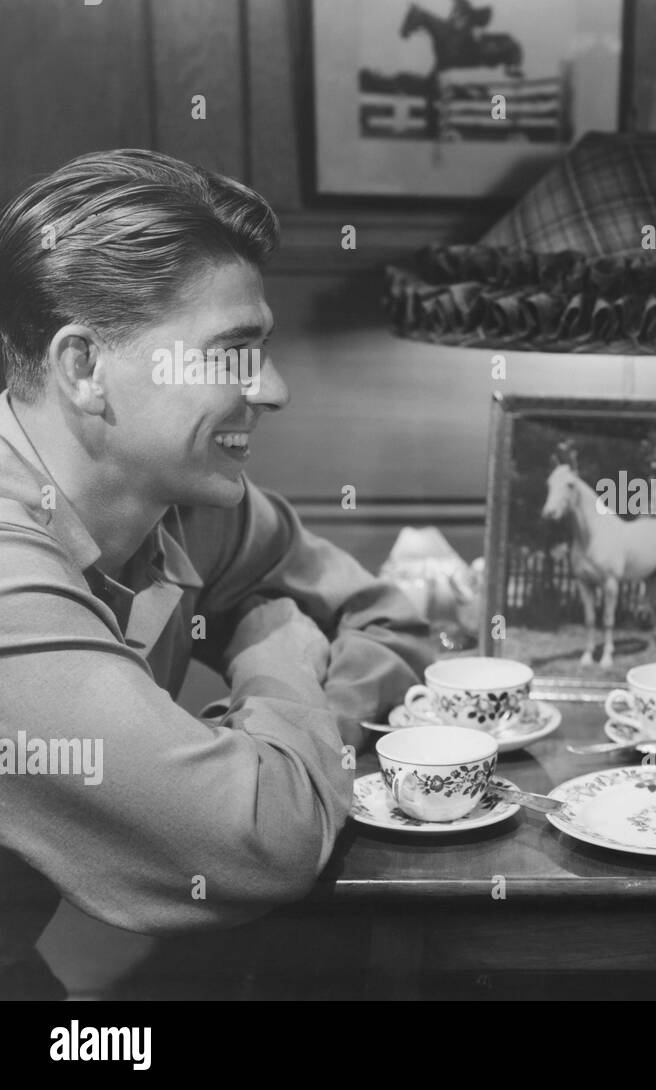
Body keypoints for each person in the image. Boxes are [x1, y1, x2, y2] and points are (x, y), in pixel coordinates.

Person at [0, 149, 436, 998]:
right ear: (84, 368)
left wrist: (292, 732)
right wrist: (278, 649)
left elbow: (388, 622)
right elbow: (262, 841)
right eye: (233, 353)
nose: (271, 389)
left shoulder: (187, 505)